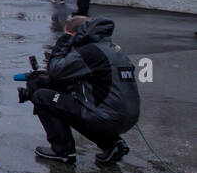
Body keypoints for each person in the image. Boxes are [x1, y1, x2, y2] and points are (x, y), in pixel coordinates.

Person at [27, 15, 139, 164]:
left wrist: (64, 41)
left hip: (107, 117)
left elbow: (56, 70)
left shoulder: (90, 51)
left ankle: (62, 151)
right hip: (126, 117)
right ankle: (111, 144)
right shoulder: (111, 48)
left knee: (42, 96)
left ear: (74, 34)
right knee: (73, 106)